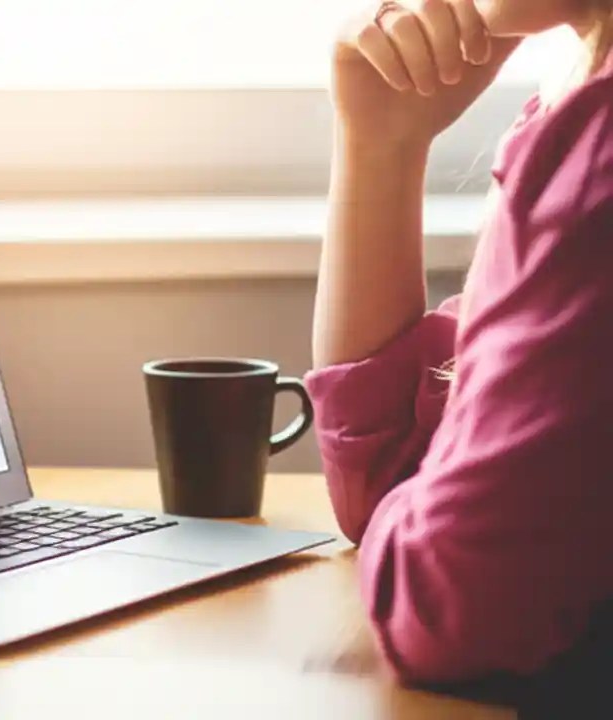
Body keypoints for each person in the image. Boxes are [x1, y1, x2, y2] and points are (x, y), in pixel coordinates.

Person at [310, 0, 613, 696]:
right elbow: (405, 480)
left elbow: (451, 604)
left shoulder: (597, 152)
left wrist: (428, 514)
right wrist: (381, 143)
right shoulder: (574, 110)